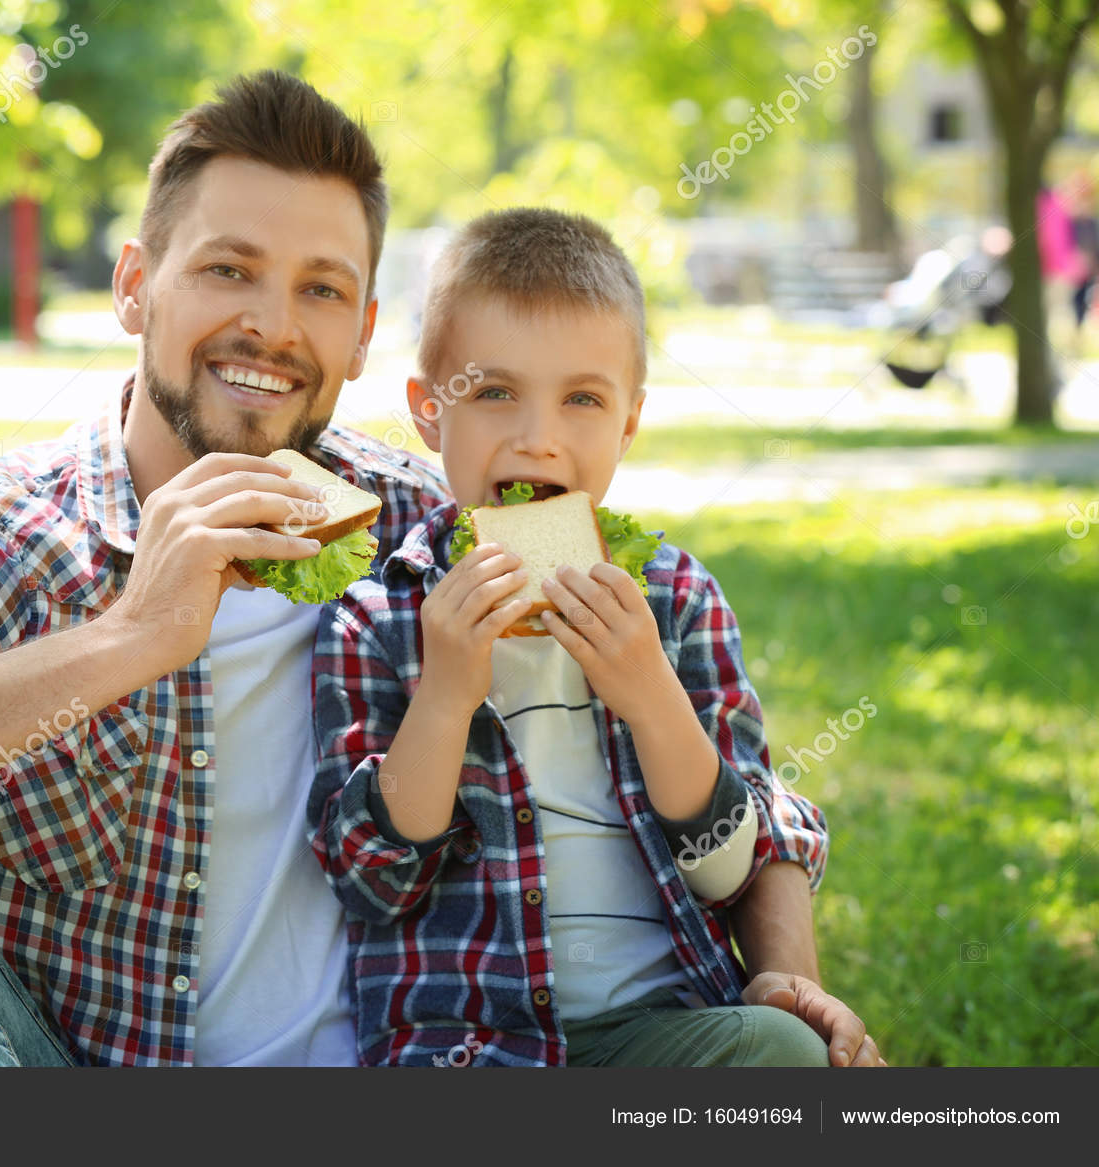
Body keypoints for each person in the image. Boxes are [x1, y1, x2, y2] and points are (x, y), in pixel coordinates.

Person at [0, 73, 878, 1067]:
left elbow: (749, 796)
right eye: (226, 271)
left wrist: (784, 975)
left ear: (364, 336)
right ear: (133, 285)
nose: (271, 325)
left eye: (319, 290)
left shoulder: (436, 520)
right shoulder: (23, 542)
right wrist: (127, 637)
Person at [309, 207, 882, 1066]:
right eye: (494, 392)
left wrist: (651, 696)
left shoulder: (676, 598)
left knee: (783, 1053)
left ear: (629, 423)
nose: (538, 436)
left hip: (661, 1027)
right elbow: (374, 879)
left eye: (582, 399)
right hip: (465, 1046)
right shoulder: (380, 613)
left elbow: (733, 870)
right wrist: (445, 693)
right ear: (430, 413)